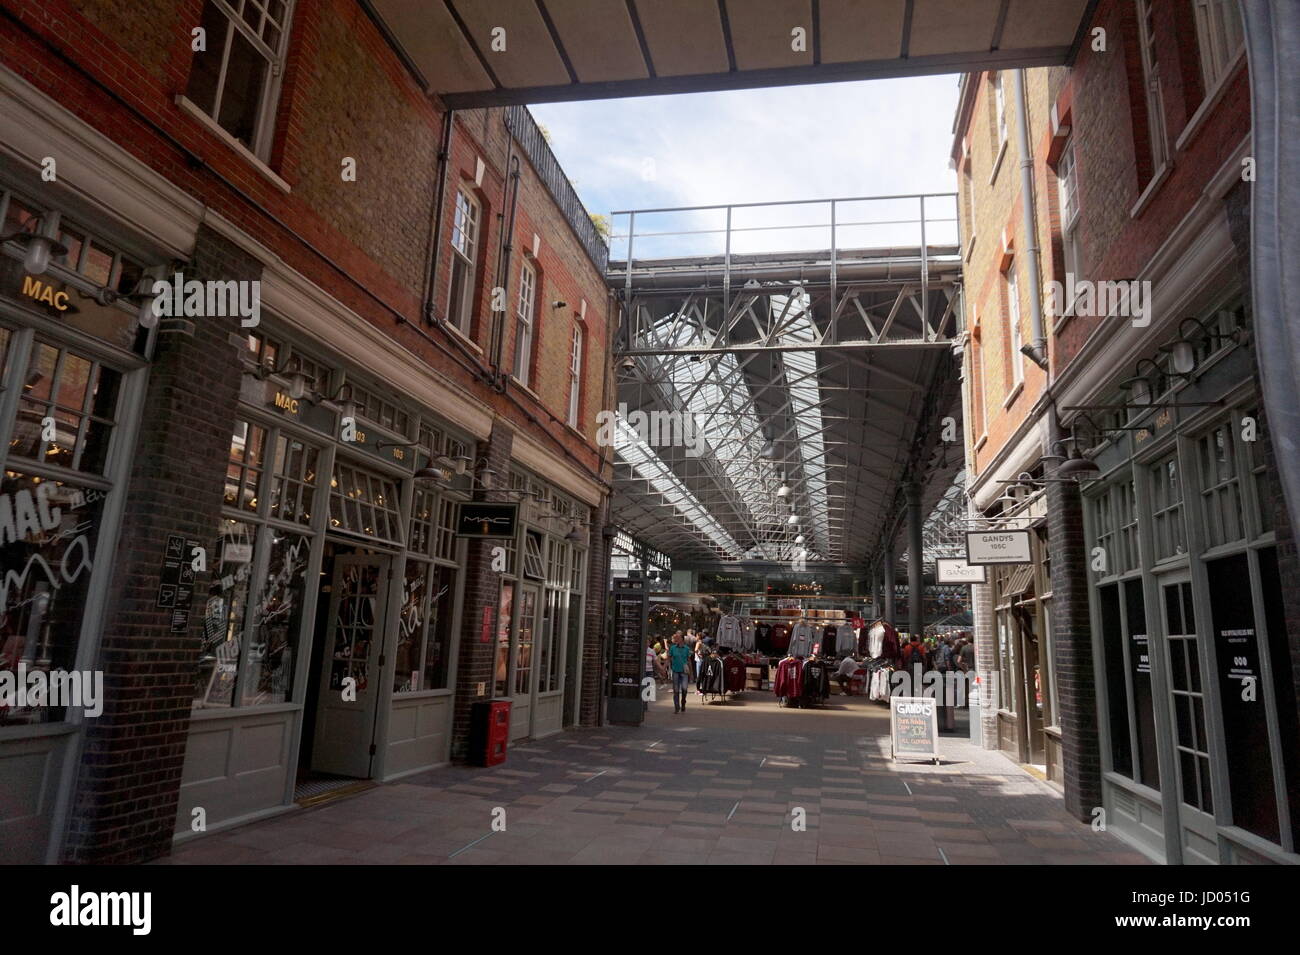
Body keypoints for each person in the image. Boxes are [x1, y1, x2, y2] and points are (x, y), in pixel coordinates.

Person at [667, 632, 693, 713]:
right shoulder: (673, 648)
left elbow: (689, 661)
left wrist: (691, 674)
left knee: (684, 689)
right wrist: (665, 668)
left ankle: (683, 702)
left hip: (684, 672)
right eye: (675, 638)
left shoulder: (687, 649)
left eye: (677, 638)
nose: (676, 639)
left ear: (682, 639)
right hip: (675, 671)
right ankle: (676, 706)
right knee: (676, 690)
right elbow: (668, 658)